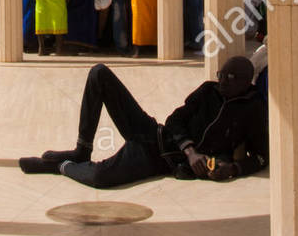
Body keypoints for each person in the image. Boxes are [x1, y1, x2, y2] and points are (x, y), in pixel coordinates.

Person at [19, 55, 268, 189]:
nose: (222, 81)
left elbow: (261, 156)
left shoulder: (252, 109)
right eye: (220, 75)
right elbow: (175, 120)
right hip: (157, 134)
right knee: (99, 73)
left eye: (230, 77)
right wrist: (190, 150)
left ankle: (61, 166)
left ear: (247, 82)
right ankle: (82, 151)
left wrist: (233, 169)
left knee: (101, 178)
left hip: (159, 158)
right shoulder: (208, 91)